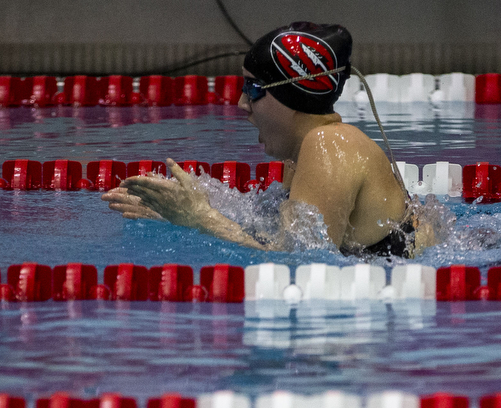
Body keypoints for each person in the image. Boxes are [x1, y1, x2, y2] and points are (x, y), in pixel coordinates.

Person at [101, 22, 414, 256]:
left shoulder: (328, 145)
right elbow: (272, 236)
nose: (242, 103)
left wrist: (199, 217)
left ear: (292, 93)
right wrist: (173, 212)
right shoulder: (303, 153)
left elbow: (298, 263)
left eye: (252, 89)